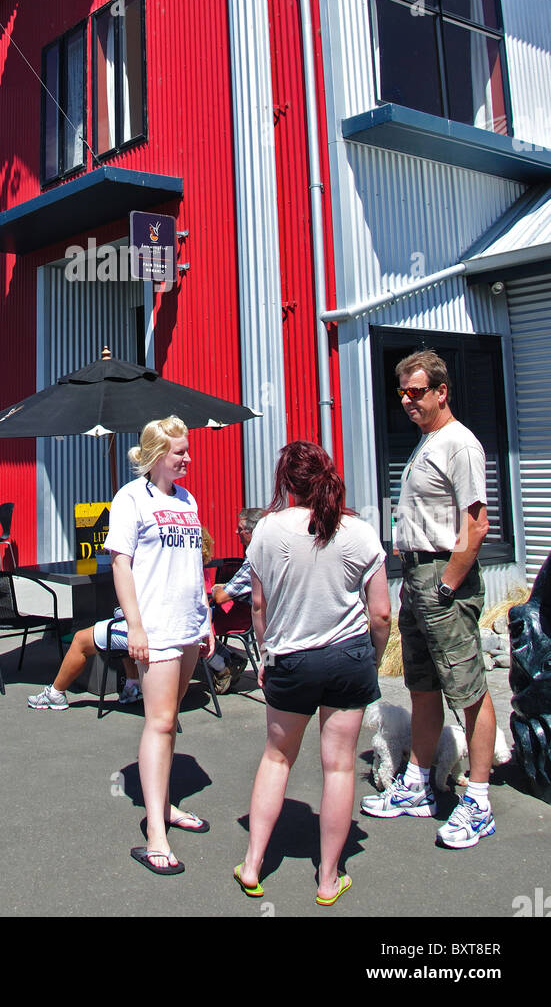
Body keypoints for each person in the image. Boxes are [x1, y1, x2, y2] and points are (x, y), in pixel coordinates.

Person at [235, 441, 390, 905]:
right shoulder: (359, 531)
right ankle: (327, 879)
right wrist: (374, 659)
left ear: (286, 482)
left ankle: (252, 864)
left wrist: (266, 654)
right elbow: (380, 613)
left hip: (290, 658)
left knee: (277, 758)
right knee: (339, 766)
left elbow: (258, 603)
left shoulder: (265, 531)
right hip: (348, 658)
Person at [361, 349, 499, 850]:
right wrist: (416, 581)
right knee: (421, 684)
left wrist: (447, 583)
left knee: (468, 688)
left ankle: (478, 800)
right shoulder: (430, 442)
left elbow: (476, 522)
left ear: (442, 392)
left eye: (416, 392)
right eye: (402, 393)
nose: (406, 400)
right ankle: (418, 783)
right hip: (419, 576)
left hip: (442, 575)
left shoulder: (459, 444)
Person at [107, 416, 215, 876]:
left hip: (187, 625)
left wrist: (205, 615)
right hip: (154, 628)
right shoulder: (130, 499)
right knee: (161, 721)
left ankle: (167, 806)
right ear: (155, 457)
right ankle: (155, 833)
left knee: (171, 724)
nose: (187, 458)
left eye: (187, 450)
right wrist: (134, 625)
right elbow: (120, 563)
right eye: (179, 452)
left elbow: (192, 564)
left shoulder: (186, 499)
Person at [27, 609, 141, 709]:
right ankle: (133, 687)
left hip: (144, 630)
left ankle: (55, 694)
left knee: (80, 640)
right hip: (147, 625)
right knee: (120, 615)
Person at [209, 507, 264, 694]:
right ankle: (230, 658)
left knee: (194, 624)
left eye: (241, 529)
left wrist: (216, 588)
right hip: (246, 613)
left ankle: (222, 664)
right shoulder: (265, 555)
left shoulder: (254, 561)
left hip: (242, 618)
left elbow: (220, 597)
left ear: (253, 532)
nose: (236, 532)